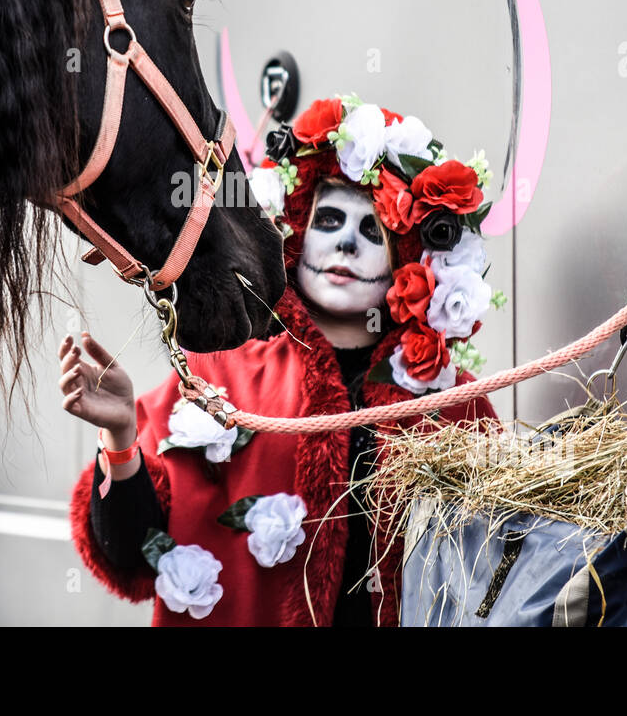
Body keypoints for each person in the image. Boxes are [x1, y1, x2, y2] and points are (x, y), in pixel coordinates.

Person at [60, 94, 504, 626]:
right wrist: (120, 438)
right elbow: (128, 557)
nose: (345, 244)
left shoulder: (456, 404)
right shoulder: (217, 378)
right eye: (331, 220)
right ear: (296, 234)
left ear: (405, 261)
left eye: (371, 231)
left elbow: (498, 570)